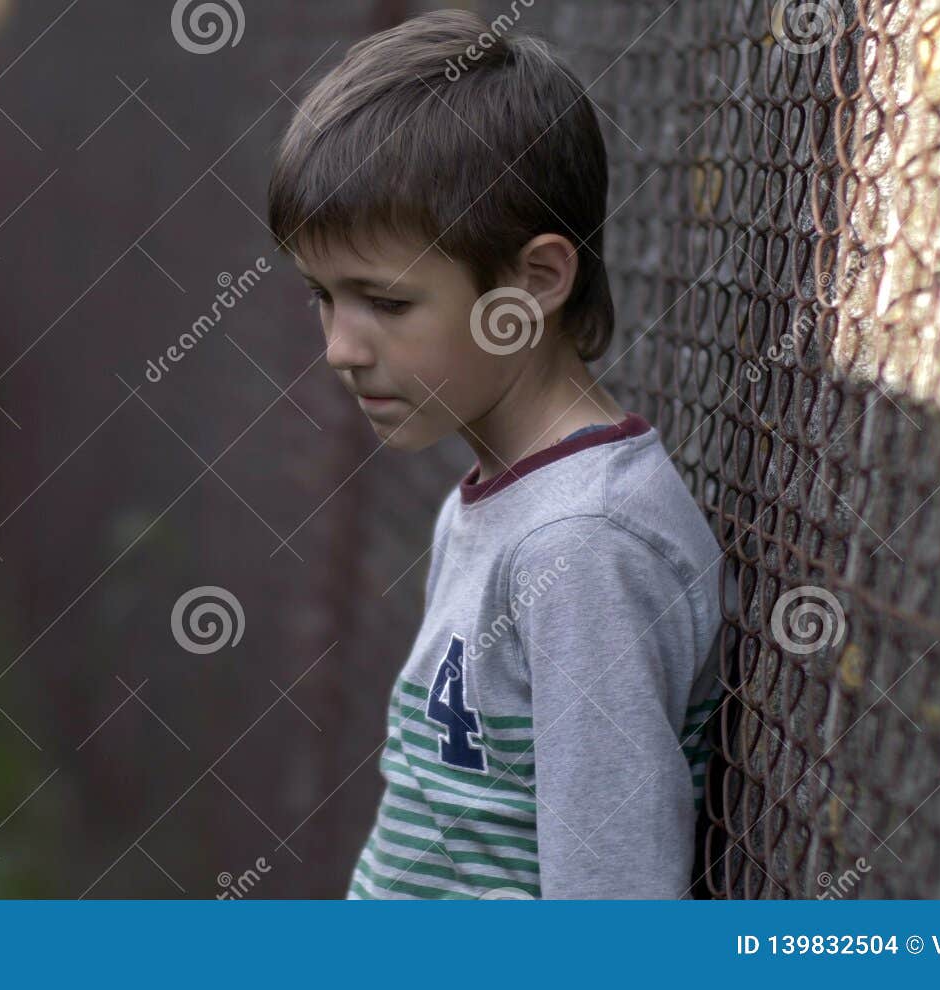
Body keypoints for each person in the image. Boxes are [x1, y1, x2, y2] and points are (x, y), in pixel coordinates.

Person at [265, 9, 725, 899]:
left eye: (386, 304)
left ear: (535, 281)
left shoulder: (583, 547)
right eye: (323, 297)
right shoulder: (495, 502)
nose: (340, 348)